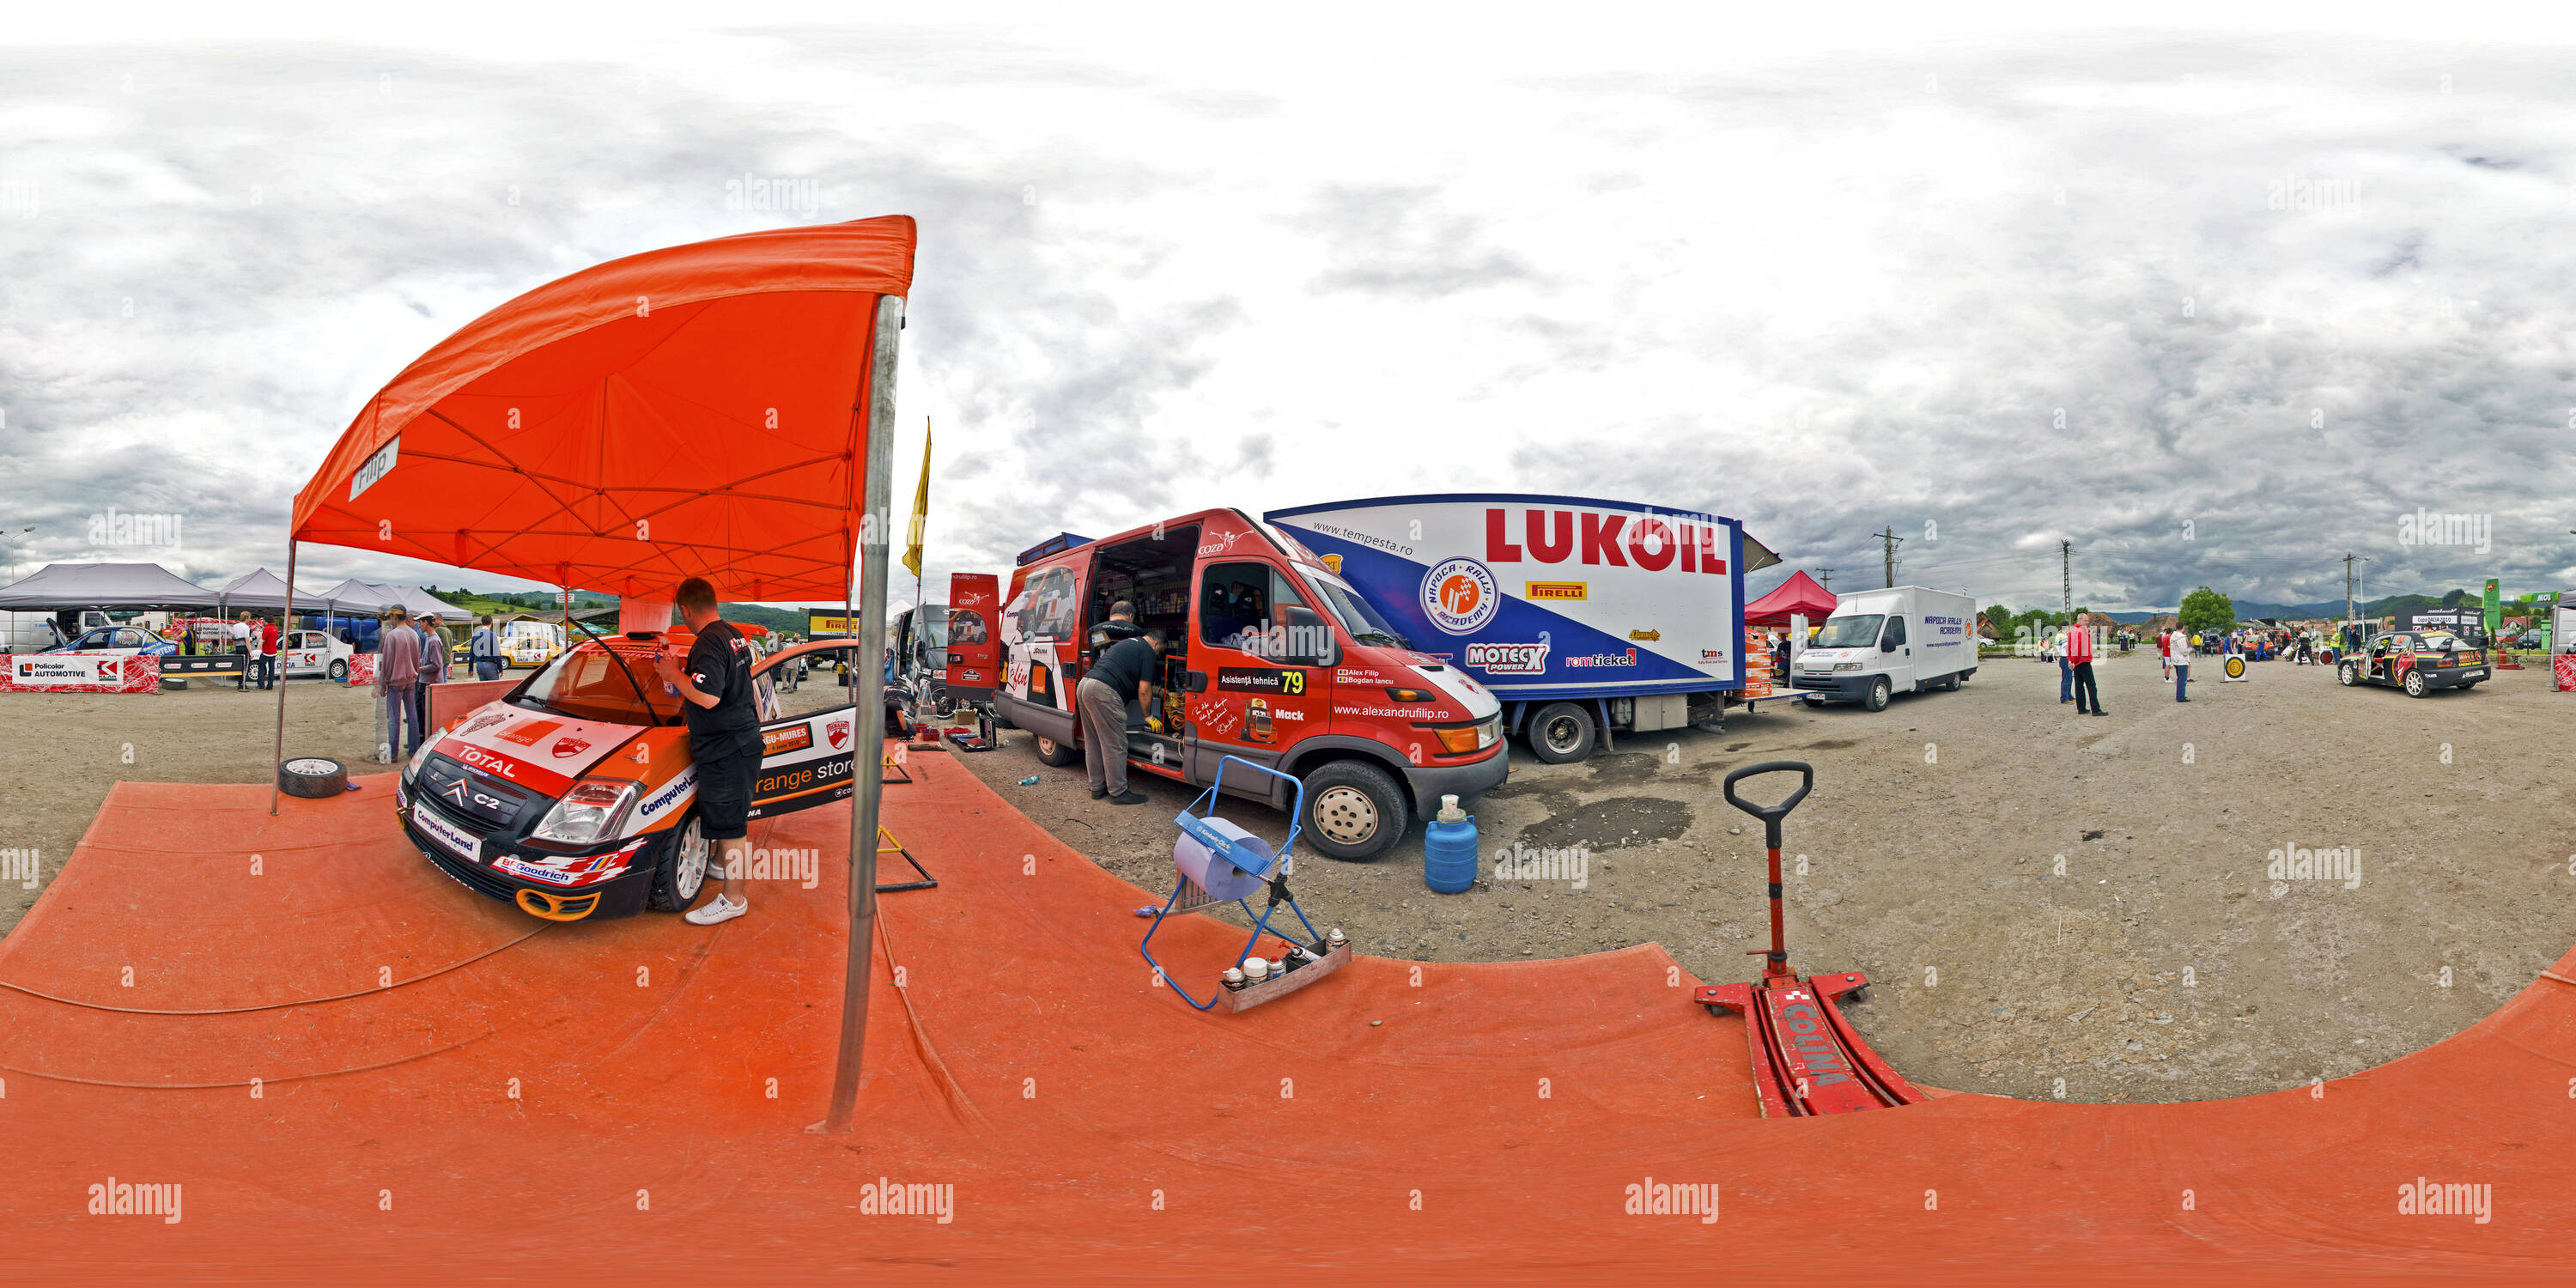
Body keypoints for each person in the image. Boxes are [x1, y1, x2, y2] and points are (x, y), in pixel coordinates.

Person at [653, 577, 762, 927]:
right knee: (728, 821)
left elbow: (708, 696)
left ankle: (734, 900)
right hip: (740, 743)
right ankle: (718, 865)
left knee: (732, 829)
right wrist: (682, 675)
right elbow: (715, 684)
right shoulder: (732, 634)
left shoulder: (708, 643)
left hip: (728, 749)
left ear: (684, 609)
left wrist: (672, 672)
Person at [1077, 601, 1162, 805]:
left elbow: (1100, 657)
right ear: (1131, 616)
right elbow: (1143, 688)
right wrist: (1149, 716)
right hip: (1107, 690)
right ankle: (1118, 792)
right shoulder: (1141, 638)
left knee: (1093, 741)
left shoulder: (1097, 630)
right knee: (1115, 744)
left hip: (1087, 683)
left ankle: (1097, 788)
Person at [377, 608, 421, 759]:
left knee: (394, 718)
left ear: (395, 616)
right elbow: (417, 660)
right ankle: (414, 749)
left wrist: (383, 684)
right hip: (411, 680)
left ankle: (393, 753)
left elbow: (387, 663)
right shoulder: (414, 634)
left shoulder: (392, 636)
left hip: (395, 681)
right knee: (412, 715)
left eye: (391, 616)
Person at [2069, 622, 2103, 716]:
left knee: (2079, 686)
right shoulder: (2081, 632)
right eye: (2086, 620)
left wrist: (2071, 660)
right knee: (2091, 686)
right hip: (2083, 661)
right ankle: (2096, 709)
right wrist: (2074, 661)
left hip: (2076, 663)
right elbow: (2079, 648)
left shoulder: (2072, 631)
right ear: (2081, 620)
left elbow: (2070, 647)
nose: (2087, 622)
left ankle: (2081, 708)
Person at [470, 615, 502, 681]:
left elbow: (471, 653)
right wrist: (500, 668)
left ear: (482, 623)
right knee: (494, 688)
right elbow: (497, 653)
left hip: (479, 665)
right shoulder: (492, 635)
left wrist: (470, 668)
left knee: (484, 688)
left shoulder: (475, 635)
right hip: (489, 664)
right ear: (491, 623)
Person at [2169, 625, 2191, 702]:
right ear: (2183, 628)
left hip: (2175, 660)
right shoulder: (2181, 637)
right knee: (2182, 680)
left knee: (2179, 679)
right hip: (2182, 661)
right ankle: (2181, 697)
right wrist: (2190, 650)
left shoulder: (2173, 636)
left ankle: (2179, 696)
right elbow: (2184, 651)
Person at [258, 616, 282, 690]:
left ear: (266, 621)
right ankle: (270, 685)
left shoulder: (266, 628)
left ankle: (261, 685)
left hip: (266, 651)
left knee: (261, 668)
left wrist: (259, 646)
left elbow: (264, 639)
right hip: (274, 651)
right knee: (271, 669)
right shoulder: (276, 628)